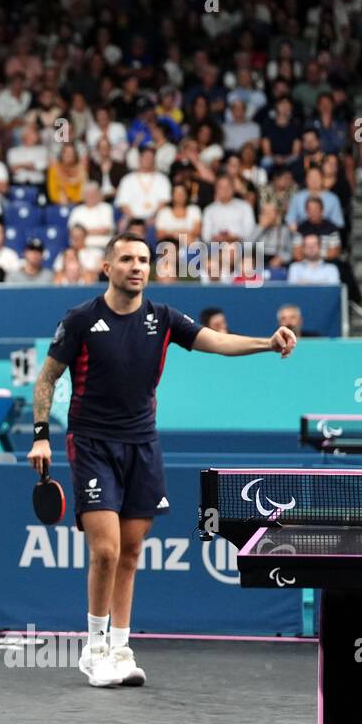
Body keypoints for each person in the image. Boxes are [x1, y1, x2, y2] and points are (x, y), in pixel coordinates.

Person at [27, 234, 297, 687]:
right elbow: (46, 379)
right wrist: (40, 437)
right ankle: (94, 650)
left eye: (143, 260)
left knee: (131, 552)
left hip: (143, 446)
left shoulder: (164, 319)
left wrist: (267, 344)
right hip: (92, 443)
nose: (137, 266)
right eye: (127, 259)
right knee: (107, 550)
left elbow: (216, 341)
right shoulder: (80, 320)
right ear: (107, 267)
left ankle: (122, 647)